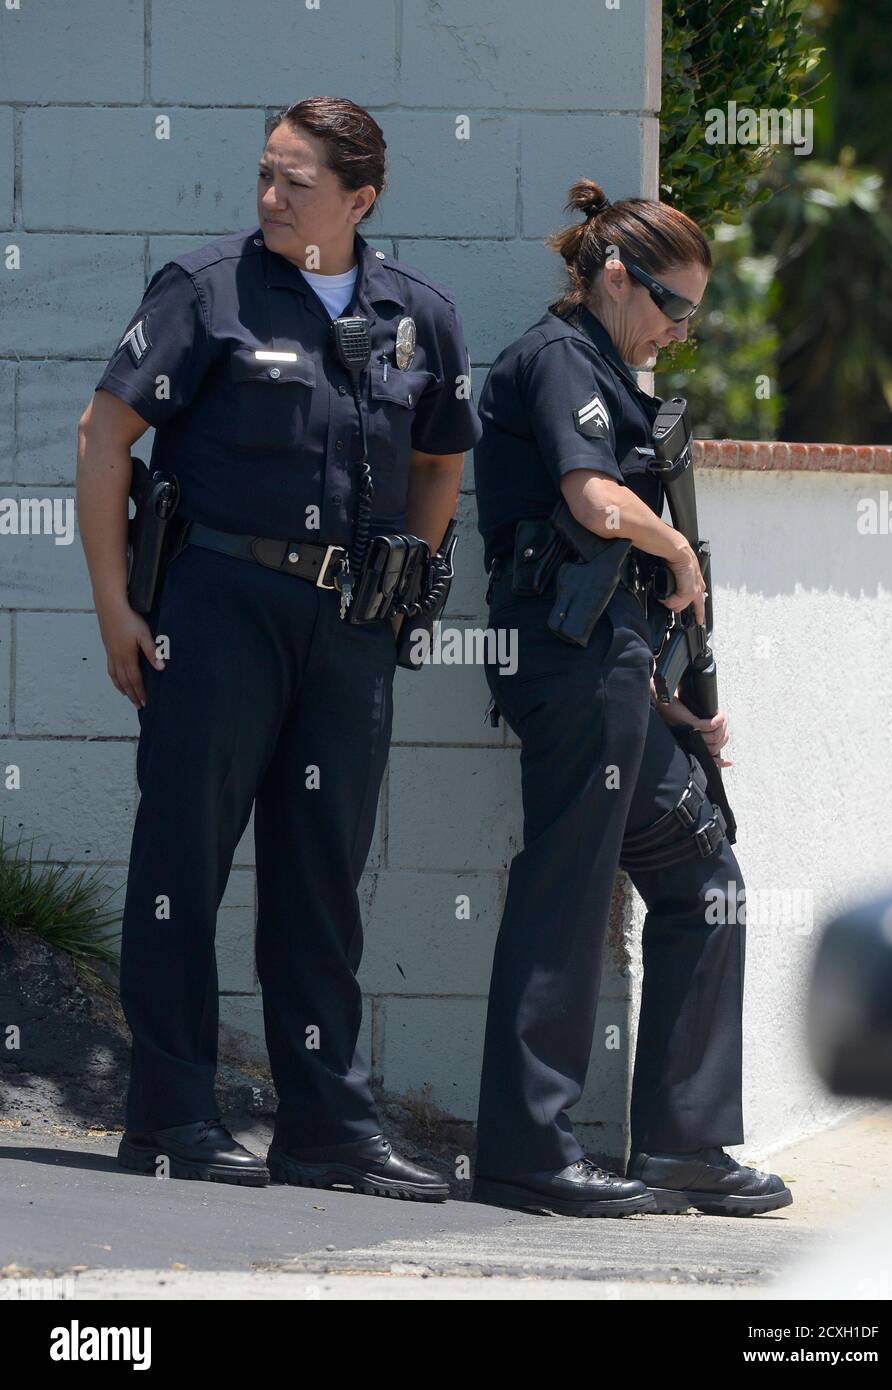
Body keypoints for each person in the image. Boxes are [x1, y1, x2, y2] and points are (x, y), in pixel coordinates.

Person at [76, 96, 480, 1200]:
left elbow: (441, 456)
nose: (269, 198)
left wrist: (411, 569)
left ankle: (327, 1131)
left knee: (321, 883)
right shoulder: (206, 290)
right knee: (181, 866)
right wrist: (117, 606)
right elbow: (105, 433)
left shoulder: (418, 314)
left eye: (294, 183)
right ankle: (168, 1118)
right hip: (219, 605)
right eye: (264, 175)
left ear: (360, 199)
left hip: (350, 626)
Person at [469, 181, 792, 1218]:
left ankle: (683, 1145)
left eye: (691, 313)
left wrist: (666, 694)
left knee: (708, 879)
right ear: (615, 274)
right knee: (563, 896)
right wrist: (678, 556)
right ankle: (526, 1151)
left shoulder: (612, 367)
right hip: (567, 672)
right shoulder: (561, 357)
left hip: (611, 671)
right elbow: (592, 502)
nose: (680, 329)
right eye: (672, 305)